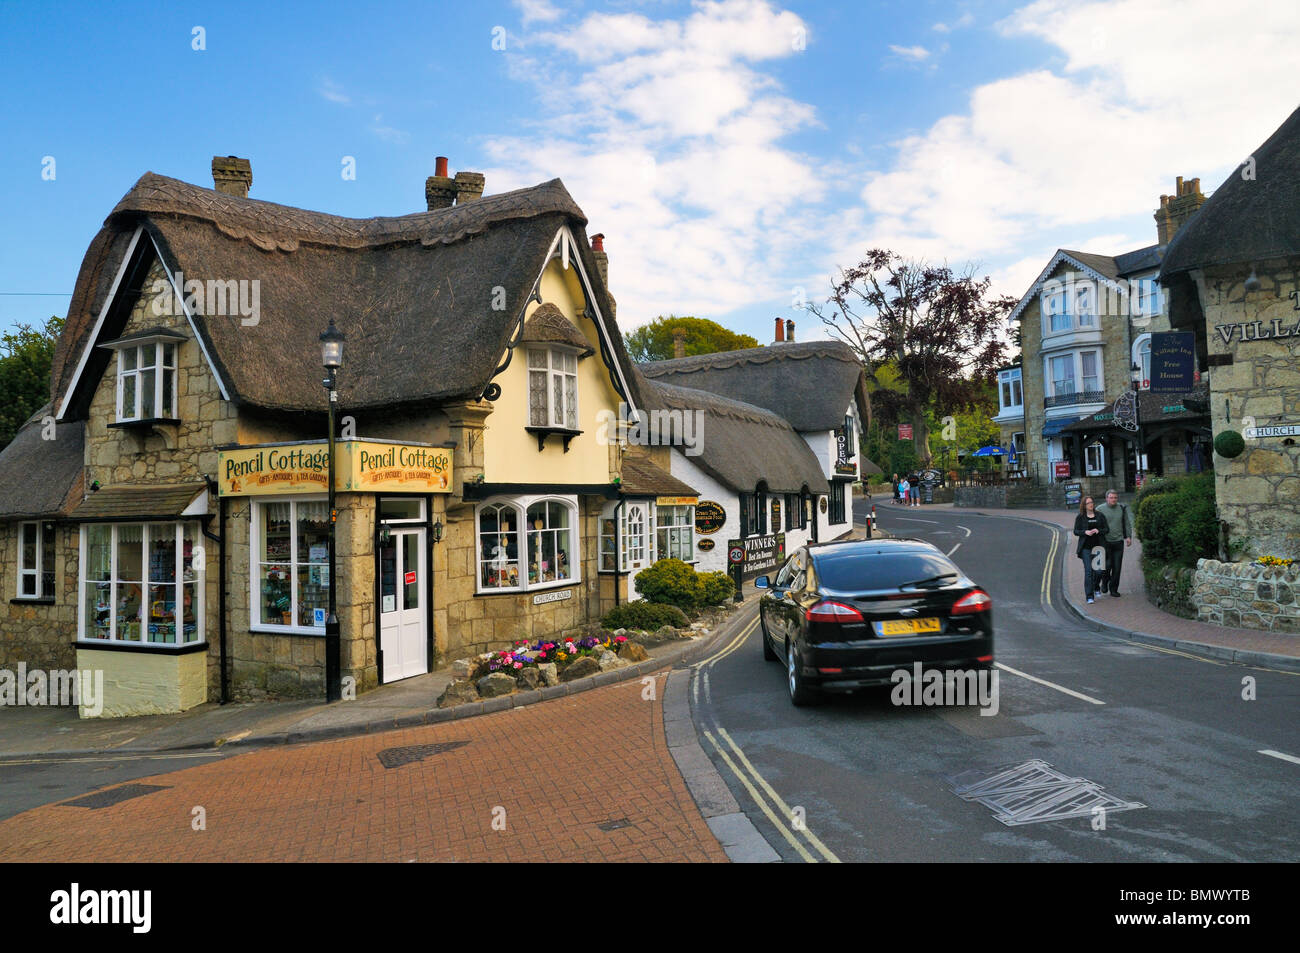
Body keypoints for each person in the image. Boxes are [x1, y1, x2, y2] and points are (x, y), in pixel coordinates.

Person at [1094, 489, 1134, 596]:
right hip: (1105, 542)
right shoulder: (1099, 509)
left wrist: (1128, 536)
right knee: (1107, 566)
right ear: (1106, 498)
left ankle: (1113, 589)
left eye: (1115, 498)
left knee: (1117, 568)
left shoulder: (1121, 508)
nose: (1113, 500)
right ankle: (1105, 582)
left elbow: (1126, 523)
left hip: (1118, 542)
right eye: (1111, 497)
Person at [1073, 496, 1110, 604]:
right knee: (1088, 572)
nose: (1091, 504)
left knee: (1099, 572)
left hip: (1098, 547)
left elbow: (1107, 529)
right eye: (1088, 503)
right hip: (1086, 548)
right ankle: (1089, 596)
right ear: (1084, 505)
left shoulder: (1100, 515)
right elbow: (1076, 531)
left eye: (1092, 502)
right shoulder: (1080, 517)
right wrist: (1085, 532)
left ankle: (1096, 587)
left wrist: (1098, 530)